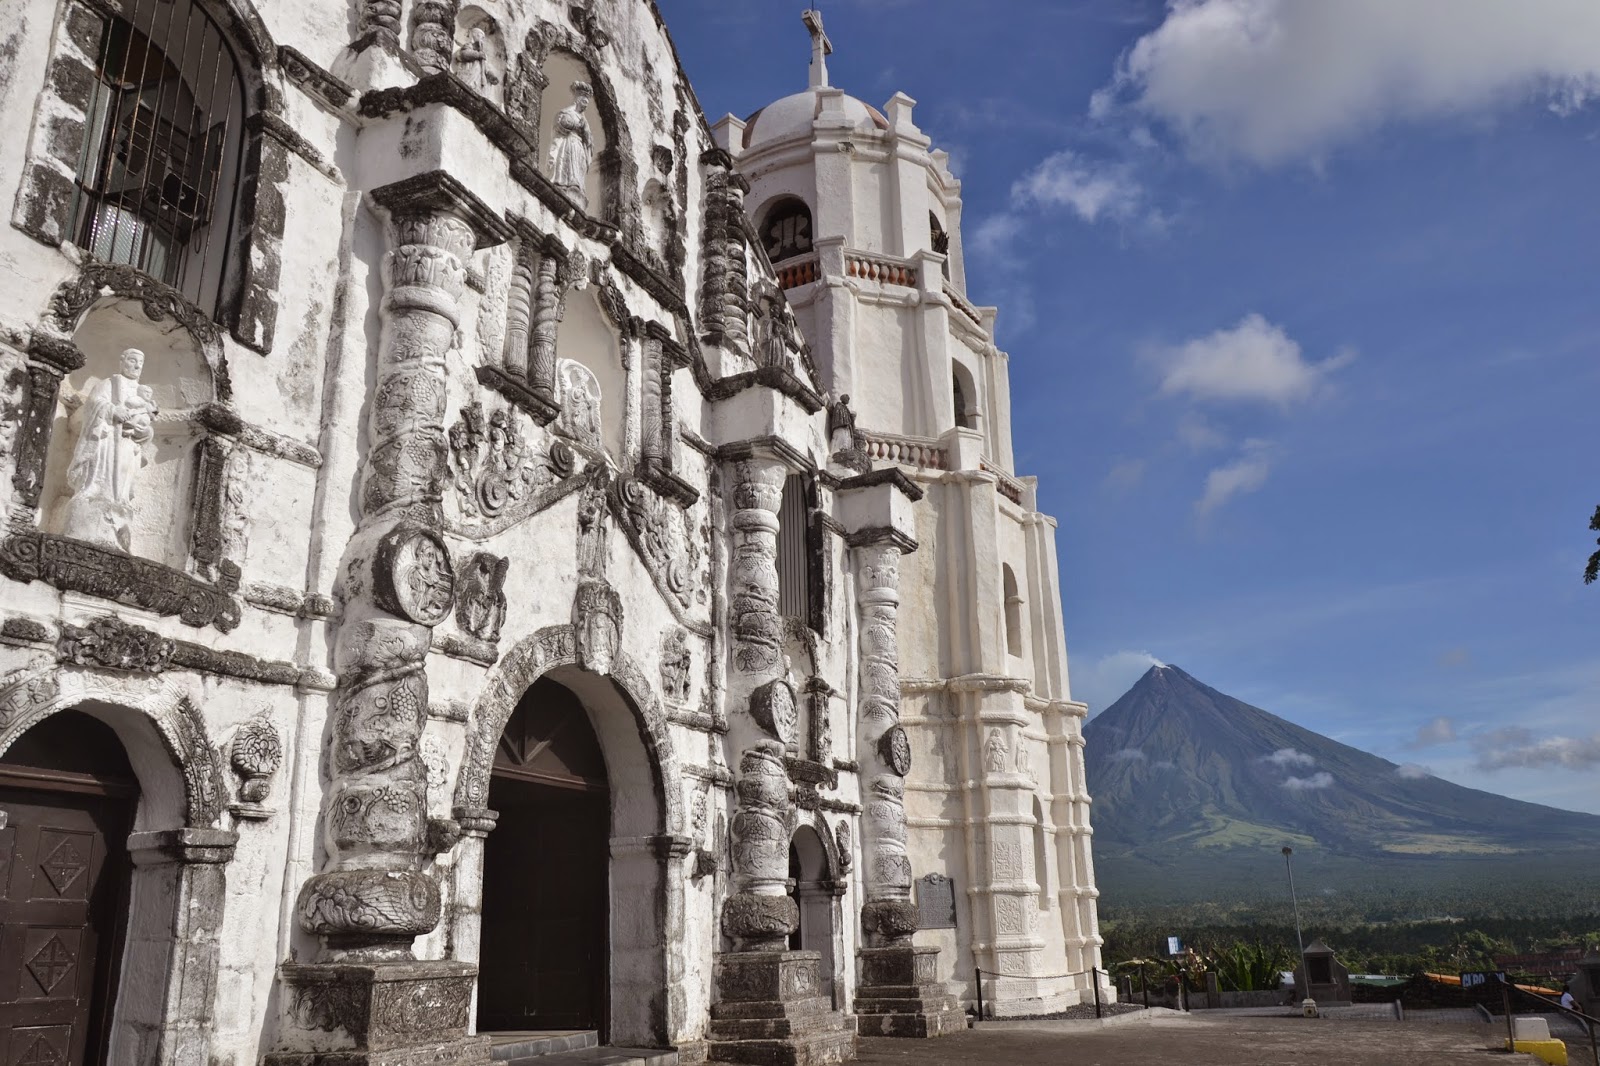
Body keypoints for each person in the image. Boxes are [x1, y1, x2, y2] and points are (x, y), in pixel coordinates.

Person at [61, 346, 157, 552]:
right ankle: (96, 495)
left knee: (123, 479)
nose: (137, 365)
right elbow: (93, 405)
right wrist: (113, 410)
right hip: (106, 441)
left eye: (140, 362)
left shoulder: (144, 394)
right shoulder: (109, 384)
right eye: (132, 360)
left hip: (128, 444)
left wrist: (144, 430)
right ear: (121, 361)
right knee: (100, 477)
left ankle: (119, 502)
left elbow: (148, 425)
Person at [548, 81, 594, 209]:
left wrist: (585, 132)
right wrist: (576, 126)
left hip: (579, 146)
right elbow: (560, 124)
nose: (585, 106)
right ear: (578, 100)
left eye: (587, 104)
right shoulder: (567, 112)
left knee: (578, 168)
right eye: (584, 102)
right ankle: (566, 184)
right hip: (570, 142)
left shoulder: (584, 120)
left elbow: (589, 141)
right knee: (568, 165)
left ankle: (577, 186)